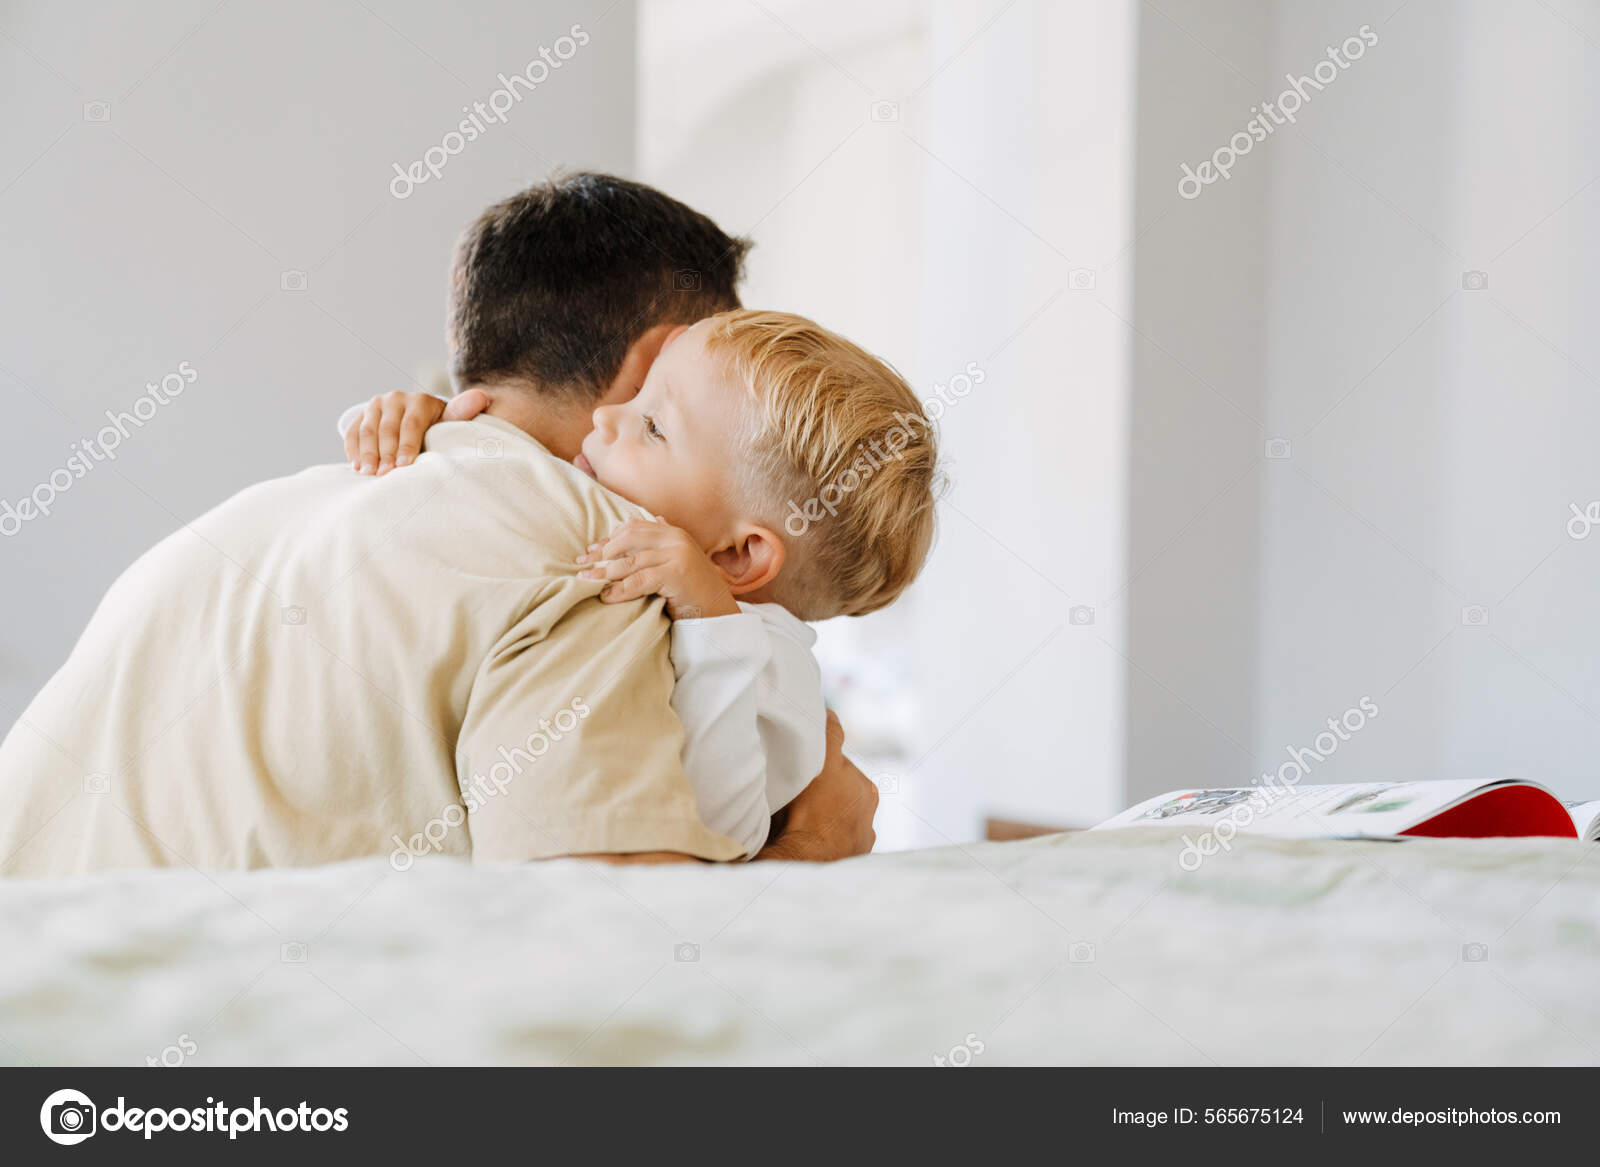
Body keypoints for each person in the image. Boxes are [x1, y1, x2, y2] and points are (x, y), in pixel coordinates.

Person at [0, 173, 878, 875]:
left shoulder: (264, 514)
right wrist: (806, 854)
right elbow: (609, 946)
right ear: (662, 359)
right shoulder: (606, 565)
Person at [342, 309, 939, 856]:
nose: (606, 416)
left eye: (652, 425)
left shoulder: (776, 668)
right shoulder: (621, 533)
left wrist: (711, 620)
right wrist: (421, 423)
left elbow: (719, 828)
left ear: (735, 556)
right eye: (638, 395)